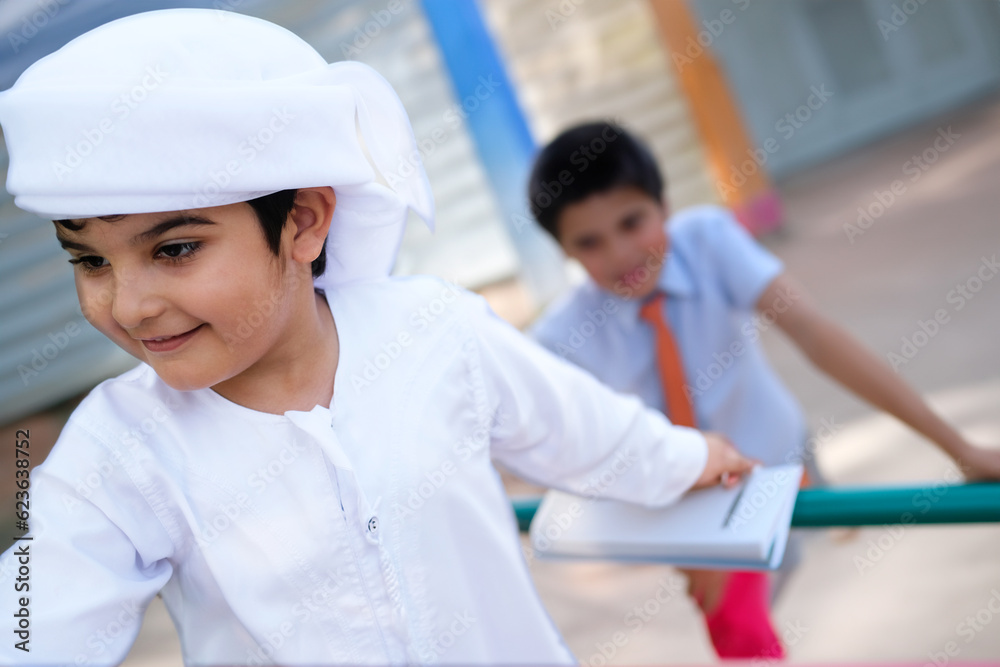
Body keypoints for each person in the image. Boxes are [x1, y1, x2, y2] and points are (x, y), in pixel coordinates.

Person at [0, 10, 756, 665]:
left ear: (302, 220)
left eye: (174, 249)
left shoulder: (432, 330)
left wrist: (692, 459)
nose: (127, 305)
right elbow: (39, 609)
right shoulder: (119, 447)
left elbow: (586, 431)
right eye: (89, 260)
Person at [527, 121, 1000, 658]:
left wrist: (958, 447)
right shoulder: (559, 339)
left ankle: (814, 492)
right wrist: (686, 543)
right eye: (589, 242)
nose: (620, 254)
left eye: (632, 222)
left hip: (778, 450)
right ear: (563, 251)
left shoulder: (707, 240)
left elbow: (815, 335)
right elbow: (567, 456)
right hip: (693, 492)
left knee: (800, 505)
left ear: (664, 205)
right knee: (738, 629)